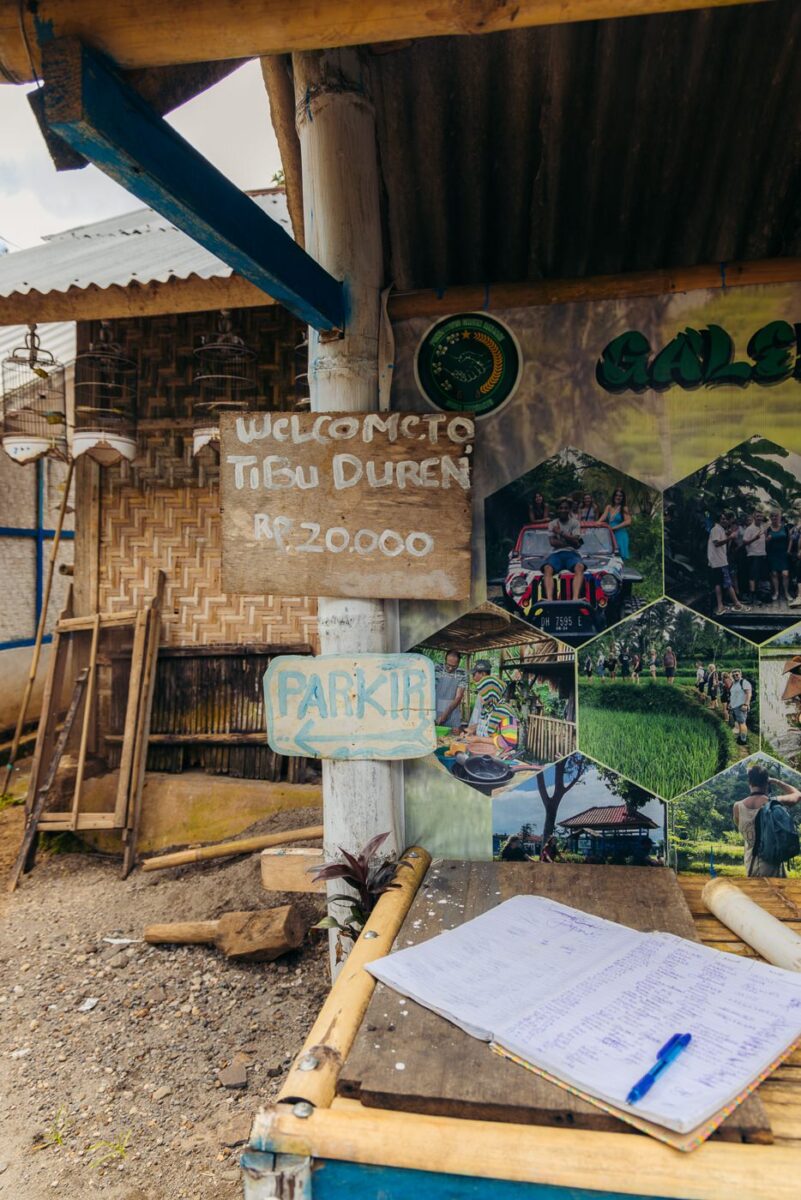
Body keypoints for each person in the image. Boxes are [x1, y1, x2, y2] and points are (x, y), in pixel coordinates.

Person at [733, 764, 801, 877]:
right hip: (773, 867)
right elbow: (797, 794)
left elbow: (740, 827)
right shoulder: (773, 802)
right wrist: (776, 781)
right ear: (766, 783)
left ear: (749, 783)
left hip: (751, 866)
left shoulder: (737, 807)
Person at [542, 498, 586, 601]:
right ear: (557, 509)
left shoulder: (575, 523)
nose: (563, 510)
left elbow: (576, 540)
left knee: (580, 567)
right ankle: (549, 599)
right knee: (547, 568)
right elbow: (552, 542)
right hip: (556, 554)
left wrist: (560, 533)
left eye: (566, 508)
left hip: (572, 553)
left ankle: (575, 598)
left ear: (569, 509)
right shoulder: (552, 524)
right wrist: (571, 542)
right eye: (561, 508)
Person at [707, 510, 745, 616]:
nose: (725, 521)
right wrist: (730, 538)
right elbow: (716, 543)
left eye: (725, 519)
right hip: (719, 561)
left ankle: (720, 606)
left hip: (716, 561)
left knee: (718, 583)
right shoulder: (716, 529)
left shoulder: (720, 530)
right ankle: (737, 604)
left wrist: (727, 535)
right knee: (728, 583)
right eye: (723, 519)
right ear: (718, 520)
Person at [434, 649, 467, 729]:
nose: (450, 668)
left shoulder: (462, 673)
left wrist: (445, 714)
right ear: (445, 660)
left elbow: (458, 697)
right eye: (448, 665)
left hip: (452, 714)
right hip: (435, 711)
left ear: (458, 663)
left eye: (454, 666)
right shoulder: (436, 668)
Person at [766, 509, 792, 603]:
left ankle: (786, 593)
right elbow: (765, 543)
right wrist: (767, 540)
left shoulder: (785, 528)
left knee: (785, 574)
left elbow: (790, 539)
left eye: (776, 516)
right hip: (773, 554)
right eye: (772, 516)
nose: (774, 517)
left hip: (783, 554)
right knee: (774, 574)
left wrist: (788, 550)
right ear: (770, 518)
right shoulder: (768, 529)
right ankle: (776, 592)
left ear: (779, 517)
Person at [600, 486, 631, 560]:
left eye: (620, 496)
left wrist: (614, 528)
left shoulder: (624, 508)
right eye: (616, 495)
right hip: (610, 534)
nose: (618, 497)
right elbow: (602, 518)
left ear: (623, 498)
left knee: (619, 558)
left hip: (620, 535)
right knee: (609, 556)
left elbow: (628, 522)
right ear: (614, 496)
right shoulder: (609, 507)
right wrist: (594, 524)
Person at [743, 511, 768, 602]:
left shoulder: (762, 527)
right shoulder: (749, 529)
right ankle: (752, 596)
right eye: (757, 516)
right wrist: (755, 538)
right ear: (754, 517)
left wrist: (767, 539)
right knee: (752, 576)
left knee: (759, 576)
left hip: (762, 554)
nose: (759, 518)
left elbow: (762, 541)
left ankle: (758, 595)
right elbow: (745, 542)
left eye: (761, 516)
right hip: (753, 555)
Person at [729, 668, 752, 746]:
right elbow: (733, 695)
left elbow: (748, 694)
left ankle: (743, 740)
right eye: (733, 675)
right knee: (739, 723)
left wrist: (746, 704)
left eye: (737, 674)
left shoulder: (744, 682)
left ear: (740, 674)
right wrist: (730, 703)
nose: (735, 676)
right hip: (734, 706)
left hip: (741, 706)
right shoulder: (734, 683)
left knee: (742, 723)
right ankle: (740, 737)